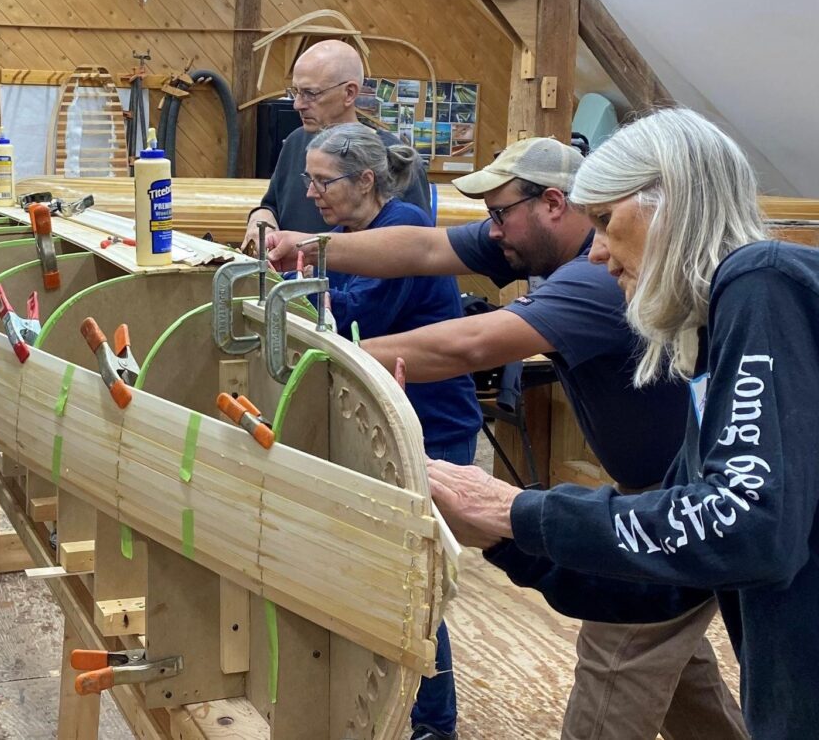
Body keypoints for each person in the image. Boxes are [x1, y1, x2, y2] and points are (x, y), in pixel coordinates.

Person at [266, 137, 747, 740]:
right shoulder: (533, 238)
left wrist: (326, 356)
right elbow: (424, 246)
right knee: (672, 657)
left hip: (673, 504)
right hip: (658, 486)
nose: (491, 231)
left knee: (616, 666)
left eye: (500, 214)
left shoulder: (596, 278)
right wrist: (310, 246)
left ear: (553, 204)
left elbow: (469, 346)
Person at [425, 107, 819, 739]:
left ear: (673, 204)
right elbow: (659, 592)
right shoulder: (709, 348)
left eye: (606, 221)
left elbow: (751, 523)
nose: (598, 253)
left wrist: (519, 511)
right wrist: (506, 536)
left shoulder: (761, 281)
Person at [304, 123, 481, 739]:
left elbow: (355, 318)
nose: (312, 193)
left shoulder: (401, 229)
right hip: (386, 419)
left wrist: (297, 282)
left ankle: (435, 725)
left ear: (365, 180)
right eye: (308, 180)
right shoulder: (352, 234)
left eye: (323, 181)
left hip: (432, 425)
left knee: (419, 587)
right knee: (391, 577)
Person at [241, 39, 431, 252]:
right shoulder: (295, 142)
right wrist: (260, 217)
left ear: (349, 93)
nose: (297, 104)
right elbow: (272, 205)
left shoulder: (396, 159)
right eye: (296, 92)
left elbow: (416, 248)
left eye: (310, 93)